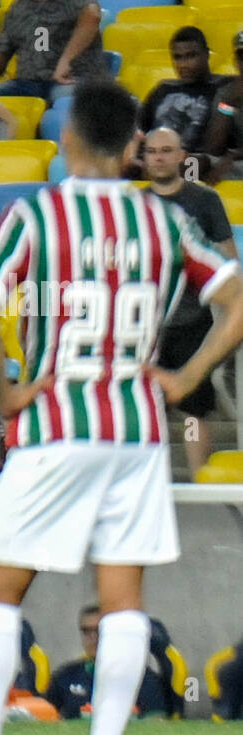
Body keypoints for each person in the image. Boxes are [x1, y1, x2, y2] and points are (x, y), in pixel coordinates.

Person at [0, 82, 243, 735]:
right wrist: (185, 376)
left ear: (65, 142)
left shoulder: (39, 213)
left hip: (57, 422)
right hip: (137, 428)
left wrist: (3, 389)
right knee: (122, 596)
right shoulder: (164, 219)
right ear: (129, 149)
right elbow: (235, 301)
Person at [143, 126, 238, 477]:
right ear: (144, 158)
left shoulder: (204, 201)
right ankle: (148, 480)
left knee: (194, 412)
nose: (159, 157)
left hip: (192, 319)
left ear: (182, 156)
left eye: (167, 150)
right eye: (152, 151)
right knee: (142, 408)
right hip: (144, 323)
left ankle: (200, 486)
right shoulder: (134, 205)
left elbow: (228, 259)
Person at [45, 605, 171, 720]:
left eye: (99, 630)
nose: (93, 638)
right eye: (86, 631)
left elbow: (156, 722)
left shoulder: (142, 678)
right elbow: (45, 717)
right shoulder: (65, 676)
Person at [0, 0, 104, 105]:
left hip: (73, 79)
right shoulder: (18, 7)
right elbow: (2, 49)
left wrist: (66, 60)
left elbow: (92, 15)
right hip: (26, 83)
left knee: (63, 102)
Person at [138, 28, 222, 160]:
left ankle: (185, 179)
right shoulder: (163, 88)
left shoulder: (225, 87)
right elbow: (138, 129)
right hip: (157, 158)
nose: (183, 65)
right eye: (177, 58)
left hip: (197, 161)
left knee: (192, 166)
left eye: (191, 56)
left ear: (206, 54)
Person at [198, 31, 243, 184]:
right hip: (236, 162)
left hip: (236, 158)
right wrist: (229, 103)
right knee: (193, 163)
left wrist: (233, 156)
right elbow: (213, 147)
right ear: (236, 62)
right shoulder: (228, 93)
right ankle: (187, 198)